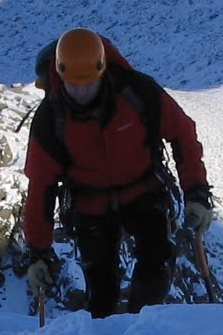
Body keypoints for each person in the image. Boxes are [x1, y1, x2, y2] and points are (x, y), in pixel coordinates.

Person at [23, 28, 212, 318]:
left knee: (156, 264)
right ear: (60, 78)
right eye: (74, 85)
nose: (82, 92)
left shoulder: (137, 92)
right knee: (101, 290)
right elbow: (41, 188)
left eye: (89, 84)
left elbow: (182, 133)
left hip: (144, 192)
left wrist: (196, 192)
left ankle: (140, 333)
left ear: (103, 70)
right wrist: (38, 253)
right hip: (90, 204)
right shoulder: (51, 118)